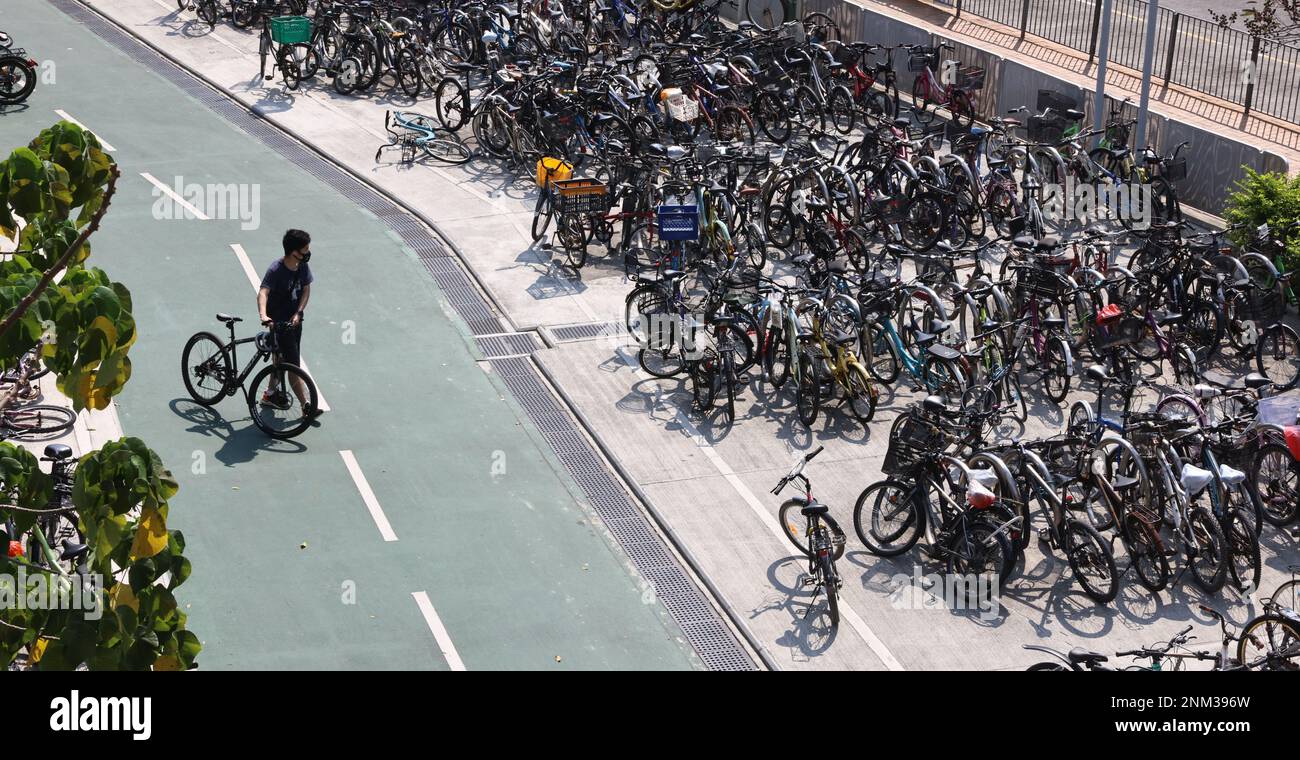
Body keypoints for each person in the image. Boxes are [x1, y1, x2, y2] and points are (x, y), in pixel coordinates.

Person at [257, 229, 319, 418]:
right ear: (293, 251)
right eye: (304, 249)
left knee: (279, 359)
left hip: (295, 324)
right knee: (293, 364)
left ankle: (269, 394)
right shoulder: (276, 270)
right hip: (280, 325)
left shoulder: (302, 266)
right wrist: (263, 315)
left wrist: (299, 312)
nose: (307, 253)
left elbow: (306, 289)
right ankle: (306, 406)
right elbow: (263, 293)